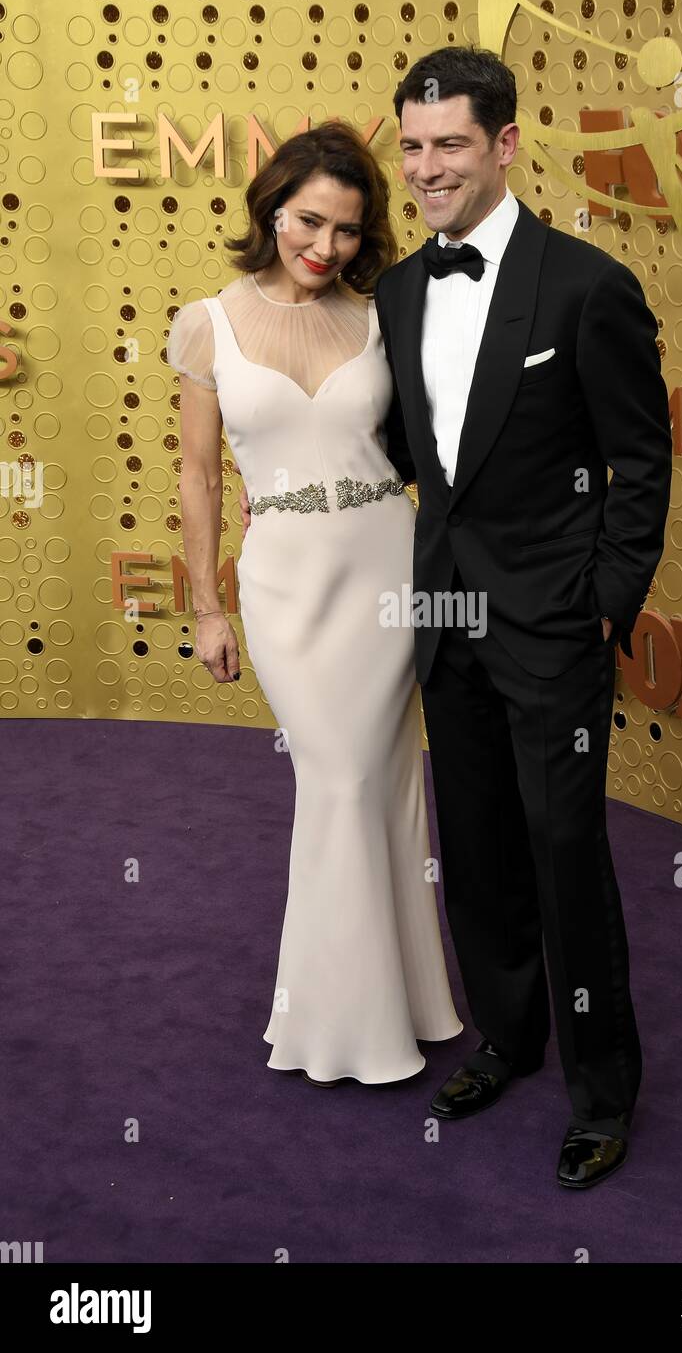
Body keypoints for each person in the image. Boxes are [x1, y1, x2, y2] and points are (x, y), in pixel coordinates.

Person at [364, 45, 671, 1188]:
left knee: (563, 853)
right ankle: (506, 1036)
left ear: (503, 145)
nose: (427, 166)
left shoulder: (585, 286)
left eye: (449, 143)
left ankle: (601, 1090)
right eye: (412, 145)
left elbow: (638, 460)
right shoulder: (398, 288)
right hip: (444, 614)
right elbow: (417, 455)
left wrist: (605, 601)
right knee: (479, 848)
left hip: (553, 626)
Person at [169, 119, 462, 1087]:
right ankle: (342, 1024)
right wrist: (207, 608)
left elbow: (427, 446)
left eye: (344, 229)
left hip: (385, 568)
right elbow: (200, 475)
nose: (322, 246)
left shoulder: (385, 314)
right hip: (285, 582)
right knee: (334, 777)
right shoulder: (205, 322)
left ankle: (410, 1001)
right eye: (306, 220)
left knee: (381, 782)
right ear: (269, 209)